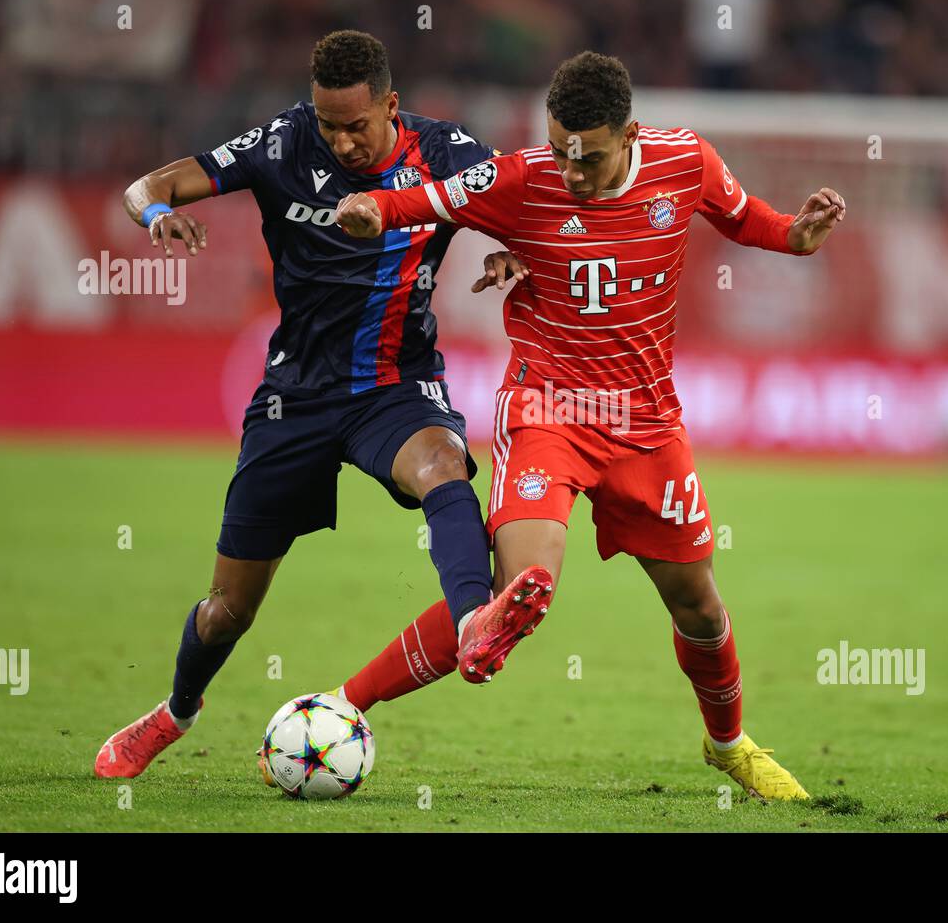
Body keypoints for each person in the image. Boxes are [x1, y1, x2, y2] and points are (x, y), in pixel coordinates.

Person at [333, 51, 846, 801]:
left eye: (590, 158)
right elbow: (423, 200)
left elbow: (748, 219)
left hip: (647, 423)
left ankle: (729, 744)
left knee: (699, 605)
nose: (570, 173)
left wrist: (796, 234)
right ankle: (345, 705)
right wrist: (369, 209)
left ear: (630, 134)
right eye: (561, 151)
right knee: (518, 587)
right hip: (549, 411)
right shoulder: (521, 177)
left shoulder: (685, 161)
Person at [94, 30, 552, 781]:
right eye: (328, 124)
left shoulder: (447, 152)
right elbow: (149, 187)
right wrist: (154, 217)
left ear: (391, 106)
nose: (340, 141)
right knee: (228, 609)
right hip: (294, 397)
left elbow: (534, 211)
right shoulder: (283, 142)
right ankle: (175, 710)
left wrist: (517, 252)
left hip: (394, 386)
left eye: (355, 126)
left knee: (444, 465)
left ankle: (475, 623)